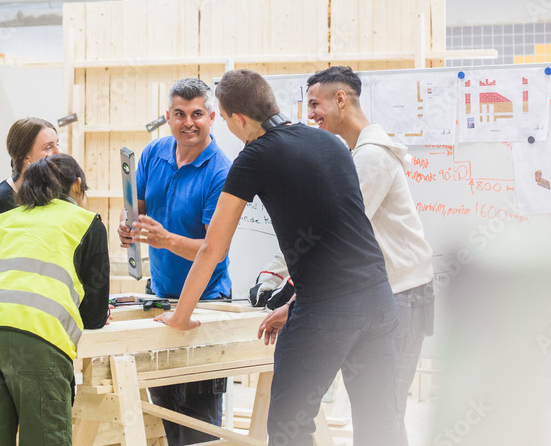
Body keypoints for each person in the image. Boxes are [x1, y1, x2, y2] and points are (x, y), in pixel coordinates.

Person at [157, 69, 400, 446]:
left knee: (289, 428)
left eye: (222, 119)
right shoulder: (329, 142)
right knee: (379, 423)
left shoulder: (255, 157)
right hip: (379, 301)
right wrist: (292, 305)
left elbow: (212, 247)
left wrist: (180, 315)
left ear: (238, 118)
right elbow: (343, 240)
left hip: (326, 310)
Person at [258, 65, 435, 445]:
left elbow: (329, 235)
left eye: (315, 104)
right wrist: (275, 278)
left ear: (341, 99)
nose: (310, 115)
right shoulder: (352, 154)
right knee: (376, 417)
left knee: (382, 418)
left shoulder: (371, 158)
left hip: (399, 294)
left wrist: (293, 302)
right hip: (371, 297)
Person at [0, 154, 109, 446]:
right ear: (77, 186)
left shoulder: (8, 219)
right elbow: (94, 317)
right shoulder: (86, 222)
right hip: (35, 342)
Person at [116, 77, 232, 445]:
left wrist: (165, 239)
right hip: (161, 297)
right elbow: (139, 210)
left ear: (212, 116)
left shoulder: (221, 171)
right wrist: (127, 225)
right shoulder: (154, 153)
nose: (189, 123)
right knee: (165, 410)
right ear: (168, 116)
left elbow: (213, 250)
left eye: (197, 114)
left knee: (200, 421)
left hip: (207, 304)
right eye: (180, 114)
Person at [0, 117, 60, 216]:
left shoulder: (57, 191)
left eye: (57, 144)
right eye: (49, 147)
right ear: (24, 157)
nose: (58, 152)